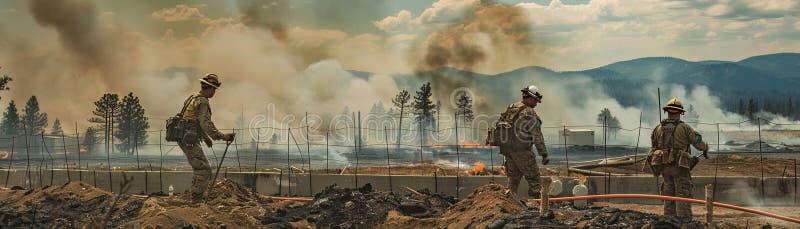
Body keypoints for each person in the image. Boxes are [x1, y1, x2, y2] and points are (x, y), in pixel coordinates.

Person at [647, 98, 708, 222]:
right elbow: (699, 144)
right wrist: (705, 147)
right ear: (680, 113)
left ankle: (668, 221)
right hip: (680, 168)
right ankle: (684, 221)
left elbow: (653, 148)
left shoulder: (657, 129)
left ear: (667, 112)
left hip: (664, 168)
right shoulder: (685, 128)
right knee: (683, 194)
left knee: (668, 194)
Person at [179, 73, 235, 201]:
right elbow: (205, 123)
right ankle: (196, 201)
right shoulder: (203, 101)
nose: (214, 92)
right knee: (203, 169)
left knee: (202, 166)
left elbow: (194, 121)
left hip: (186, 136)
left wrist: (205, 137)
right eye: (214, 89)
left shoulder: (193, 97)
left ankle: (196, 197)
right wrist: (223, 136)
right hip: (189, 138)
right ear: (208, 88)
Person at [496, 84, 549, 197]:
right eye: (535, 100)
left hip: (509, 150)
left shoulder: (511, 107)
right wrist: (544, 154)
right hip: (522, 150)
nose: (536, 103)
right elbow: (537, 135)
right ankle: (539, 207)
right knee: (535, 180)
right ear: (529, 98)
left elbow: (498, 124)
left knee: (513, 181)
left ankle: (509, 203)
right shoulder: (528, 112)